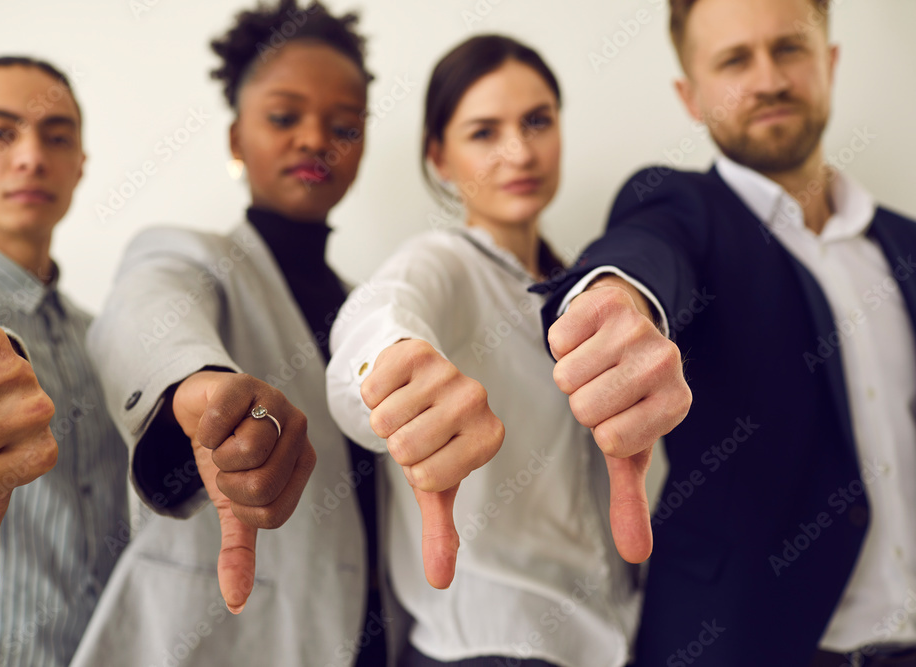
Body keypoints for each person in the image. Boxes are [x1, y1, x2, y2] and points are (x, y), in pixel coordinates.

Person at [70, 2, 496, 665]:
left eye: (344, 124)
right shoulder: (186, 253)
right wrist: (192, 382)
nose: (314, 139)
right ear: (237, 139)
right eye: (283, 116)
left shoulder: (372, 314)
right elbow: (147, 309)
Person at [535, 0, 916, 664]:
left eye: (790, 49)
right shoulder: (685, 210)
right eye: (735, 59)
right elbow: (644, 248)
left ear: (829, 63)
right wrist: (619, 294)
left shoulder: (903, 243)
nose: (768, 78)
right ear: (690, 96)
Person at [326, 35, 691, 667]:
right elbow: (377, 315)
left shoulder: (586, 289)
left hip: (608, 640)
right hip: (486, 649)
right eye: (483, 132)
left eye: (537, 121)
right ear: (438, 156)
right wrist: (388, 371)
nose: (519, 151)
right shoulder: (440, 264)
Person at [0, 56, 128, 666]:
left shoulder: (104, 338)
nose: (32, 156)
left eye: (56, 136)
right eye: (0, 133)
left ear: (80, 164)